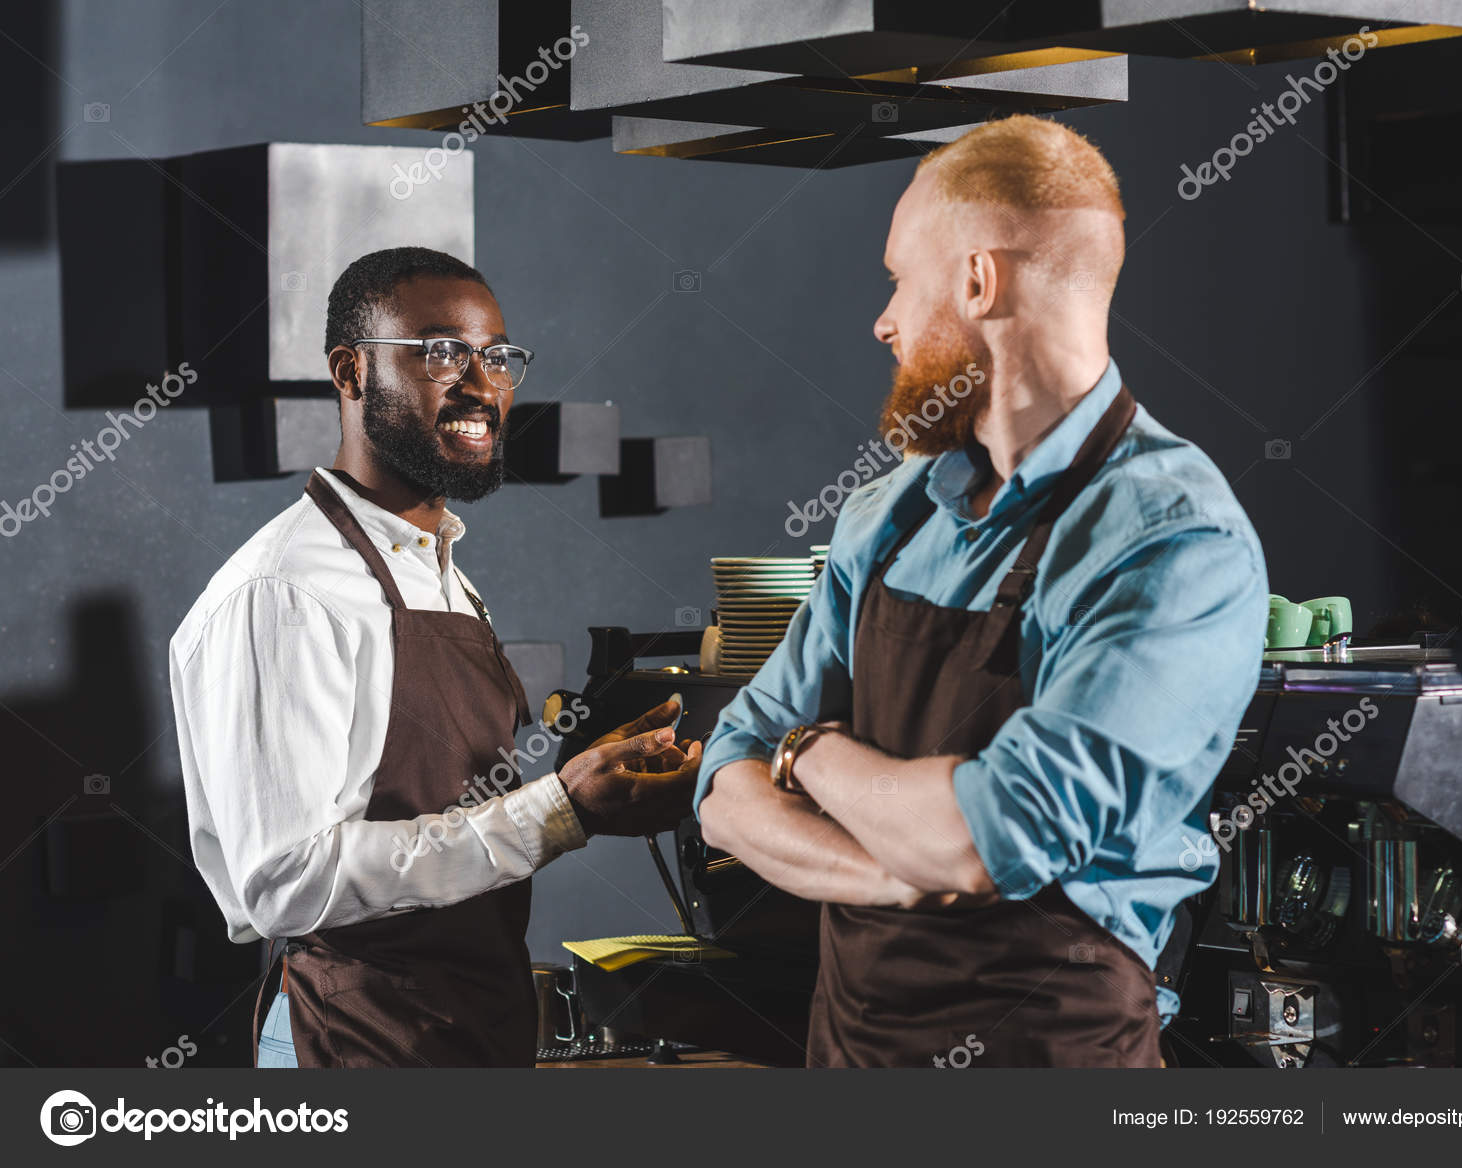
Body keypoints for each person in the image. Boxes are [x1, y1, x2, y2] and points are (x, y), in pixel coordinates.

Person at [696, 116, 1268, 1067]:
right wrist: (894, 877)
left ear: (976, 279)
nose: (882, 320)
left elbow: (985, 839)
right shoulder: (889, 514)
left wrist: (811, 750)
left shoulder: (1171, 536)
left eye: (896, 278)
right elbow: (724, 778)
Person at [170, 247, 699, 1068]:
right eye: (441, 352)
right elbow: (287, 884)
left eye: (496, 357)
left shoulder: (442, 568)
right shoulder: (285, 591)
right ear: (350, 373)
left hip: (471, 1024)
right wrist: (561, 811)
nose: (481, 384)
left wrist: (597, 782)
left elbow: (445, 807)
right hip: (353, 1037)